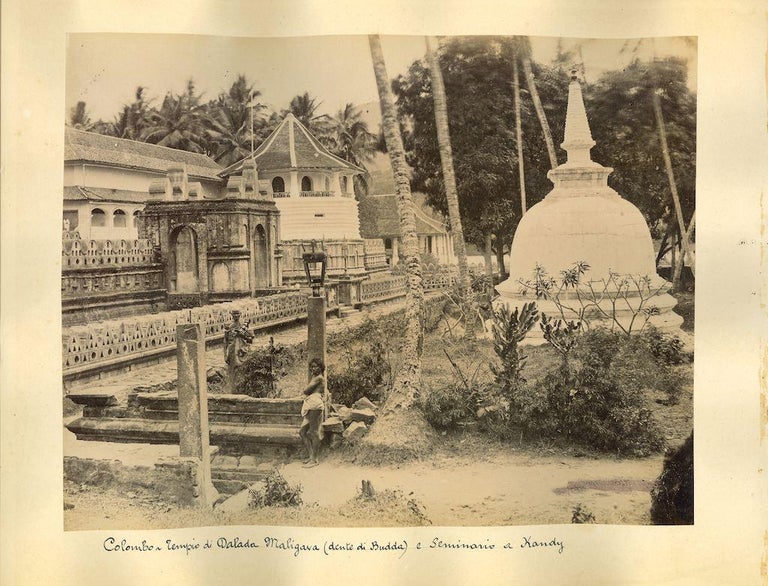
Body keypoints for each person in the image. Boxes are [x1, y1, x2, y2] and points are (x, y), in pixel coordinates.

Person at [299, 358, 325, 468]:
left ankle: (314, 460)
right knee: (302, 432)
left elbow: (306, 390)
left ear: (321, 367)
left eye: (316, 366)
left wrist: (305, 392)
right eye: (312, 367)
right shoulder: (315, 377)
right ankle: (311, 457)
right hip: (311, 404)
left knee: (314, 432)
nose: (314, 368)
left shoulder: (319, 378)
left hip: (315, 405)